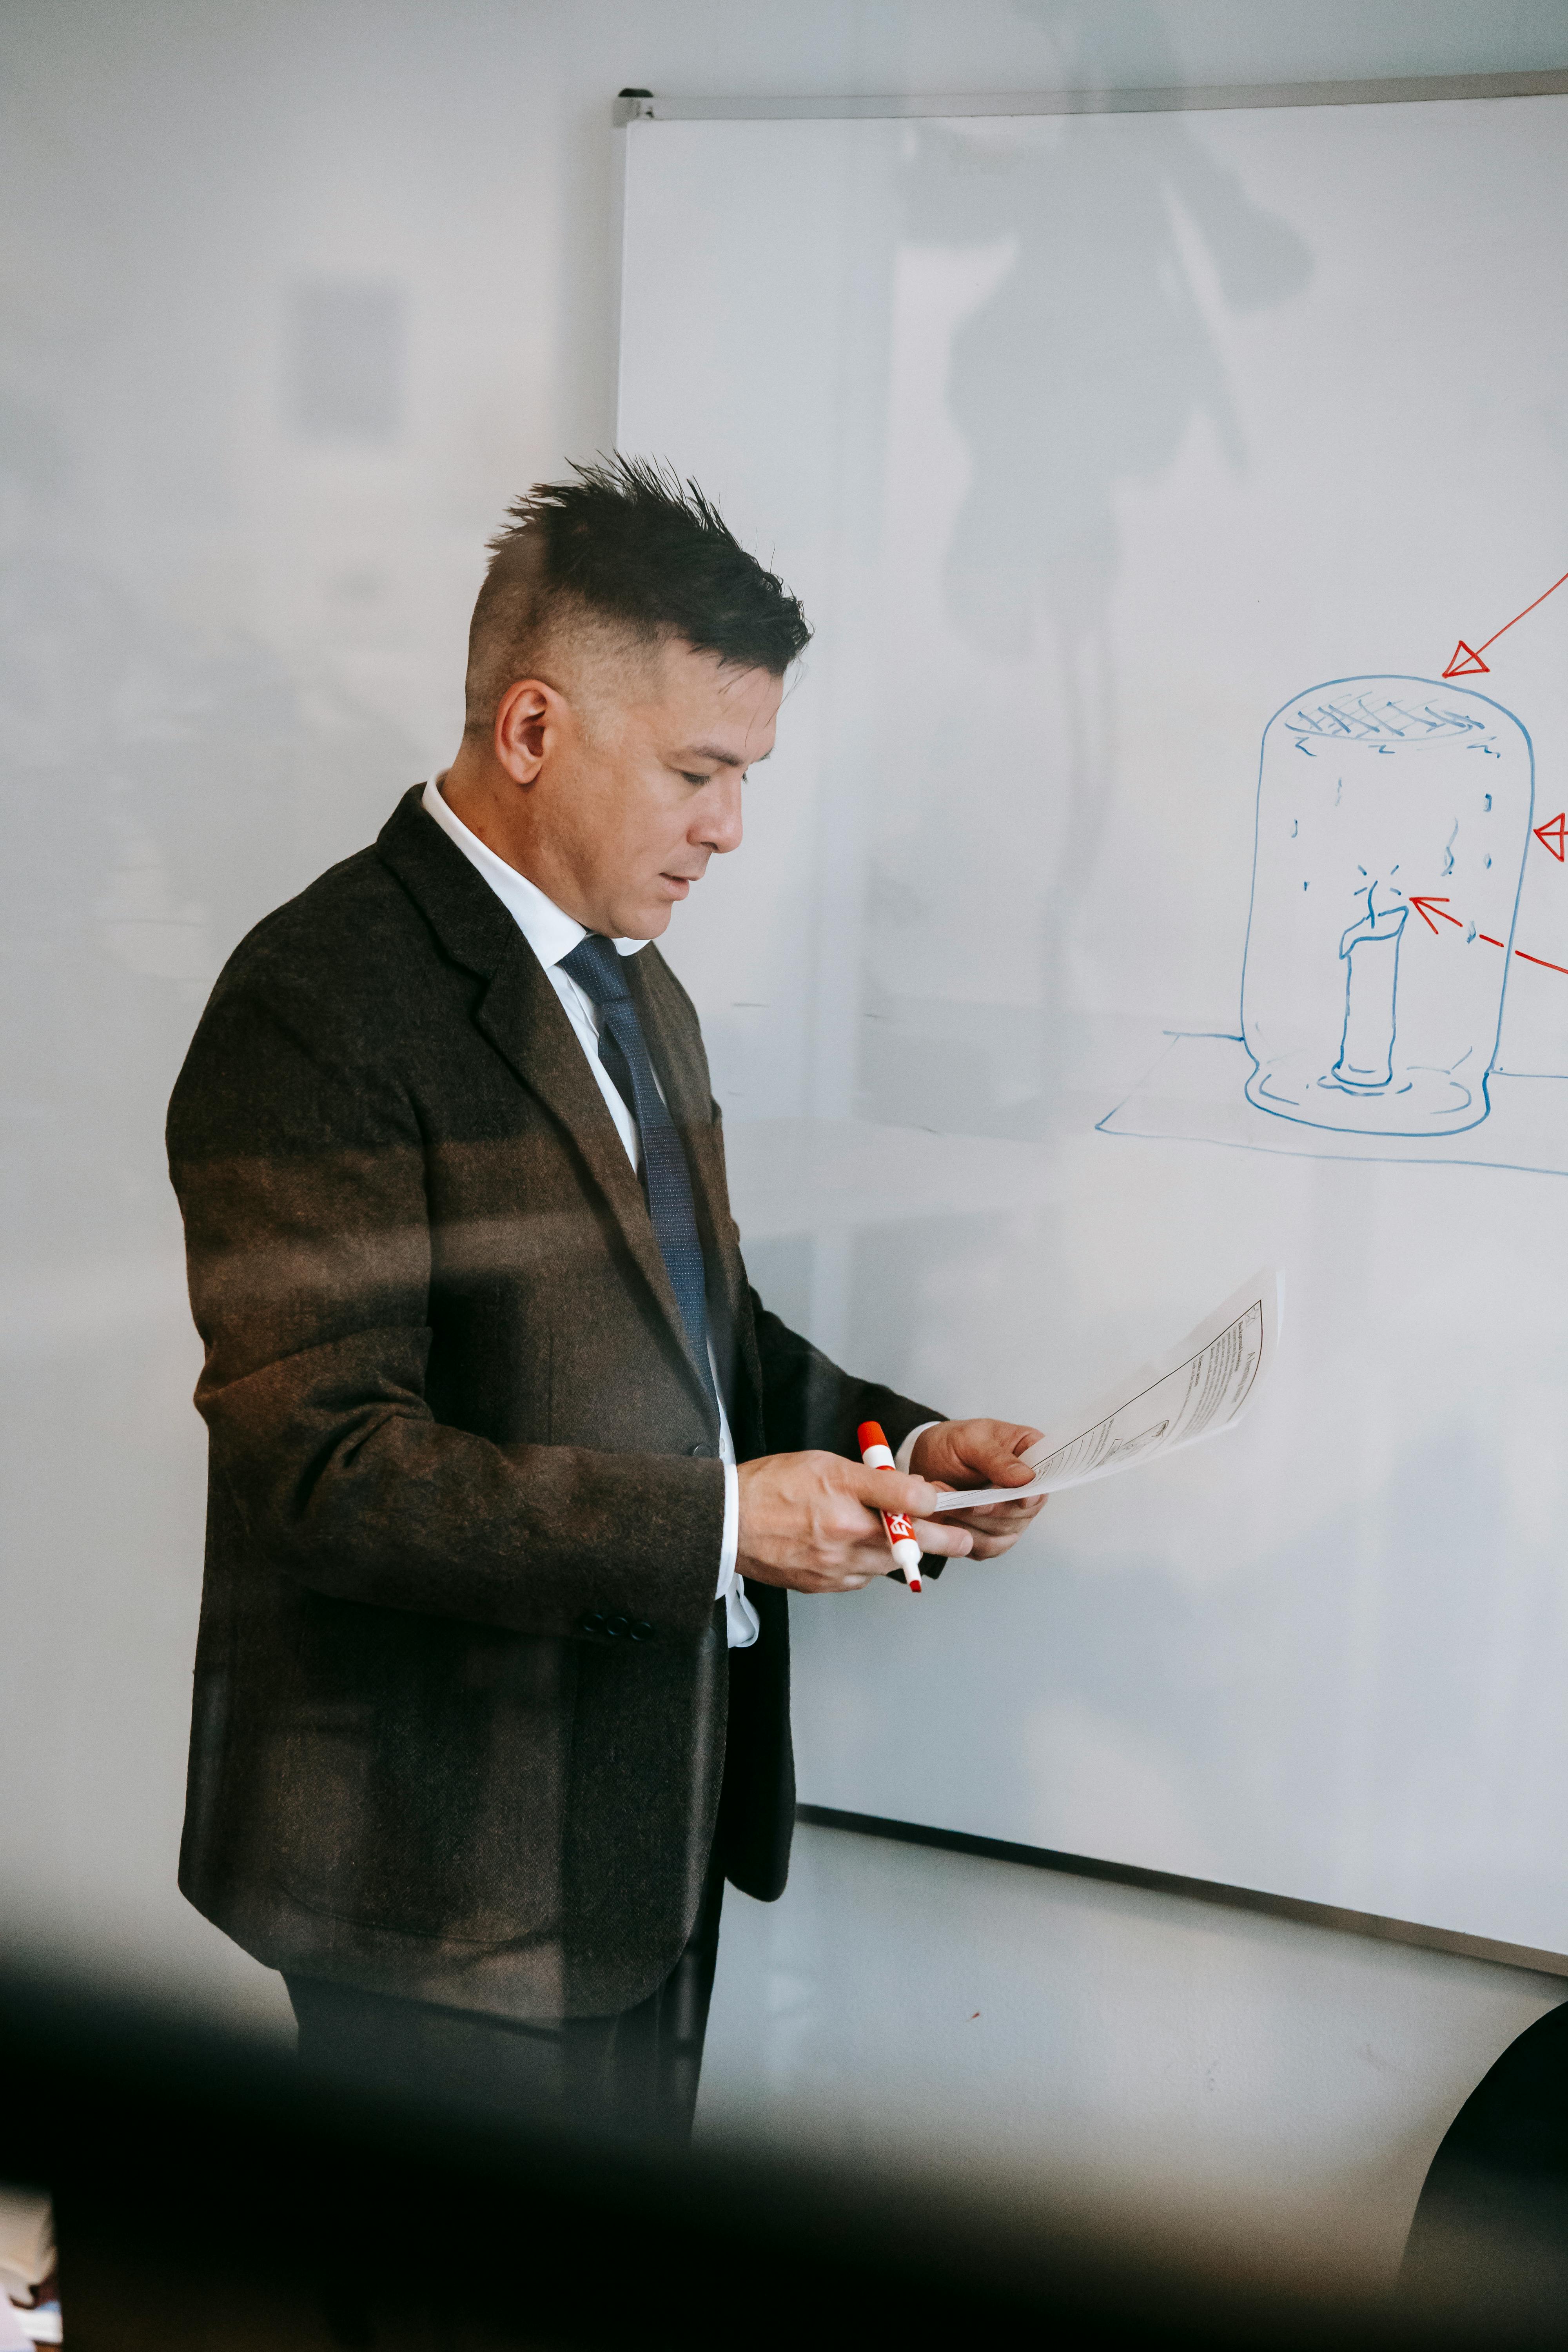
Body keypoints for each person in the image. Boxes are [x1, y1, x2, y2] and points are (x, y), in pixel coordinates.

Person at [166, 456, 1046, 2141]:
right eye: (700, 772)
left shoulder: (632, 978)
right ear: (530, 732)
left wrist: (913, 1443)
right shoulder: (311, 1002)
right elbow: (324, 1470)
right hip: (442, 1891)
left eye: (747, 776)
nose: (730, 827)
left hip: (648, 1831)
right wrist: (723, 1529)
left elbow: (701, 1338)